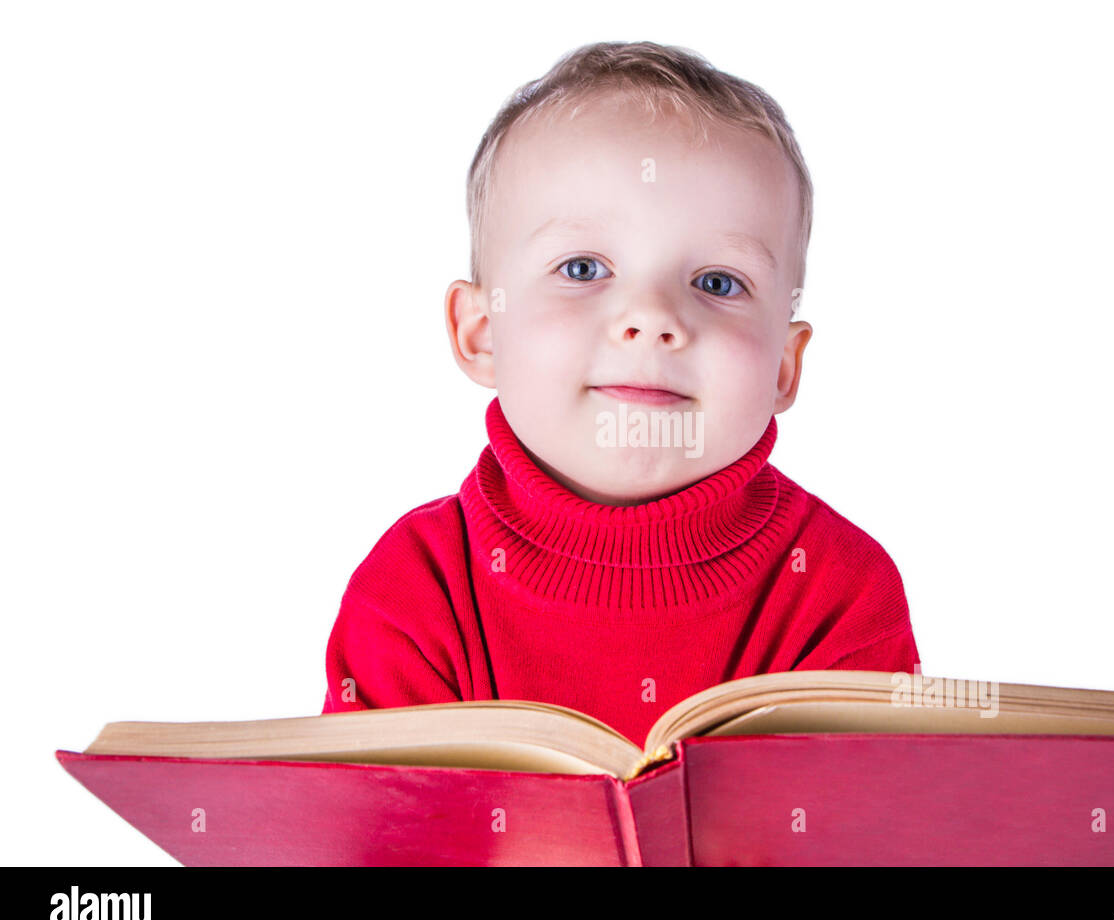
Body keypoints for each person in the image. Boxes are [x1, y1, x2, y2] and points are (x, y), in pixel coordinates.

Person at [321, 40, 921, 746]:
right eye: (582, 267)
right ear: (482, 332)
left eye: (717, 283)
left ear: (784, 368)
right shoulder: (413, 590)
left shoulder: (839, 594)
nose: (652, 319)